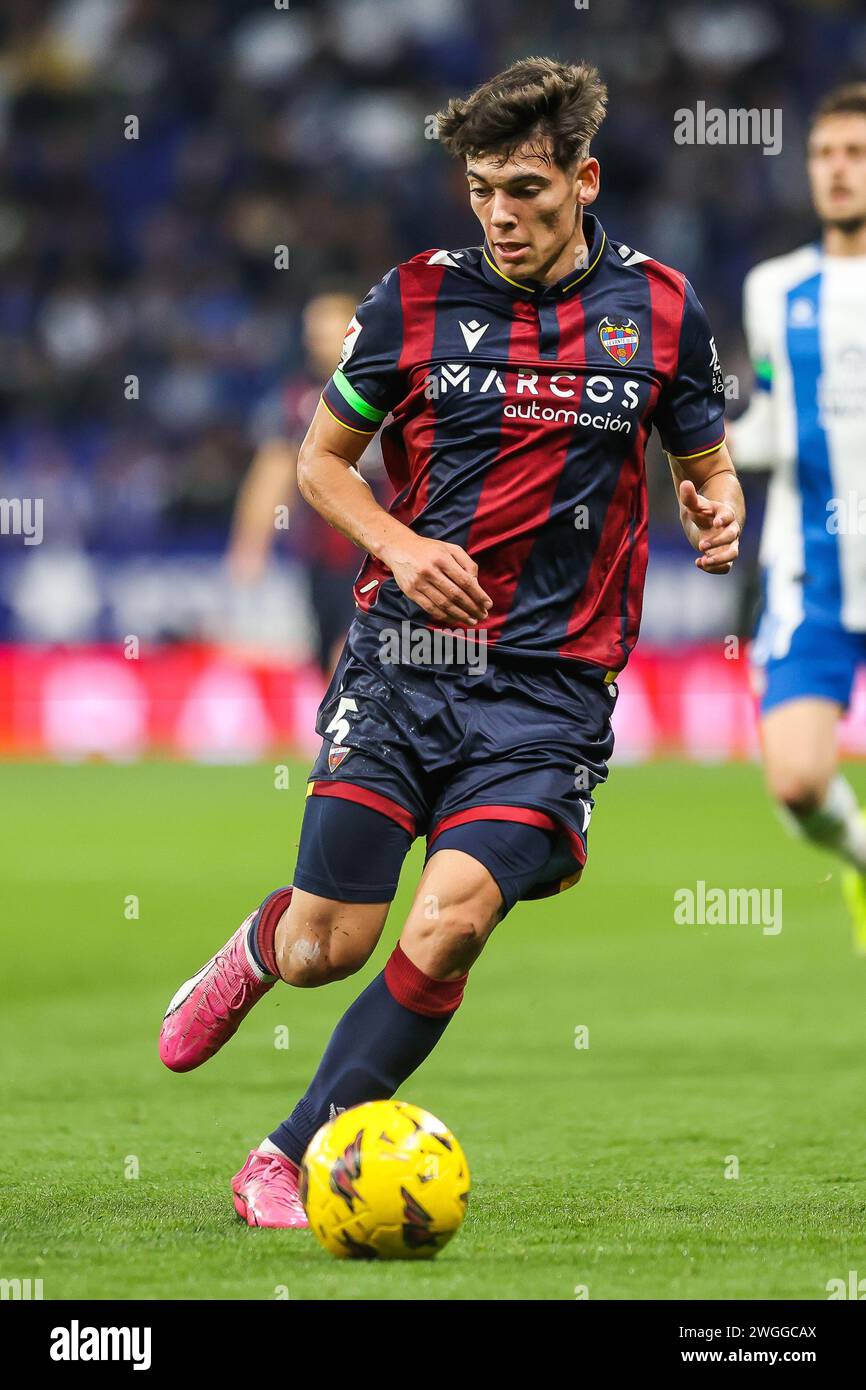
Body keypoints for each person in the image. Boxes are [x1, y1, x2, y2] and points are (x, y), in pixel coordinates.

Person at [159, 57, 744, 1231]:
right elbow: (321, 464)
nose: (497, 213)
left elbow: (701, 459)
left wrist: (713, 501)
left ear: (583, 179)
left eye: (523, 188)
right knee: (336, 941)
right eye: (479, 188)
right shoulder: (411, 299)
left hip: (552, 689)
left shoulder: (663, 311)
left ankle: (290, 1151)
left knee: (454, 917)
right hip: (404, 659)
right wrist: (403, 543)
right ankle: (266, 944)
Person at [731, 84, 866, 950]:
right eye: (825, 156)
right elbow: (772, 422)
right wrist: (693, 447)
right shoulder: (774, 288)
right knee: (796, 784)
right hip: (810, 573)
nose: (839, 171)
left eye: (856, 154)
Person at [227, 290, 390, 676]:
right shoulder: (297, 401)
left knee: (356, 647)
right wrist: (250, 545)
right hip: (325, 553)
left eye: (331, 332)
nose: (320, 343)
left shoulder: (396, 390)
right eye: (314, 334)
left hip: (384, 546)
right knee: (329, 656)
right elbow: (273, 472)